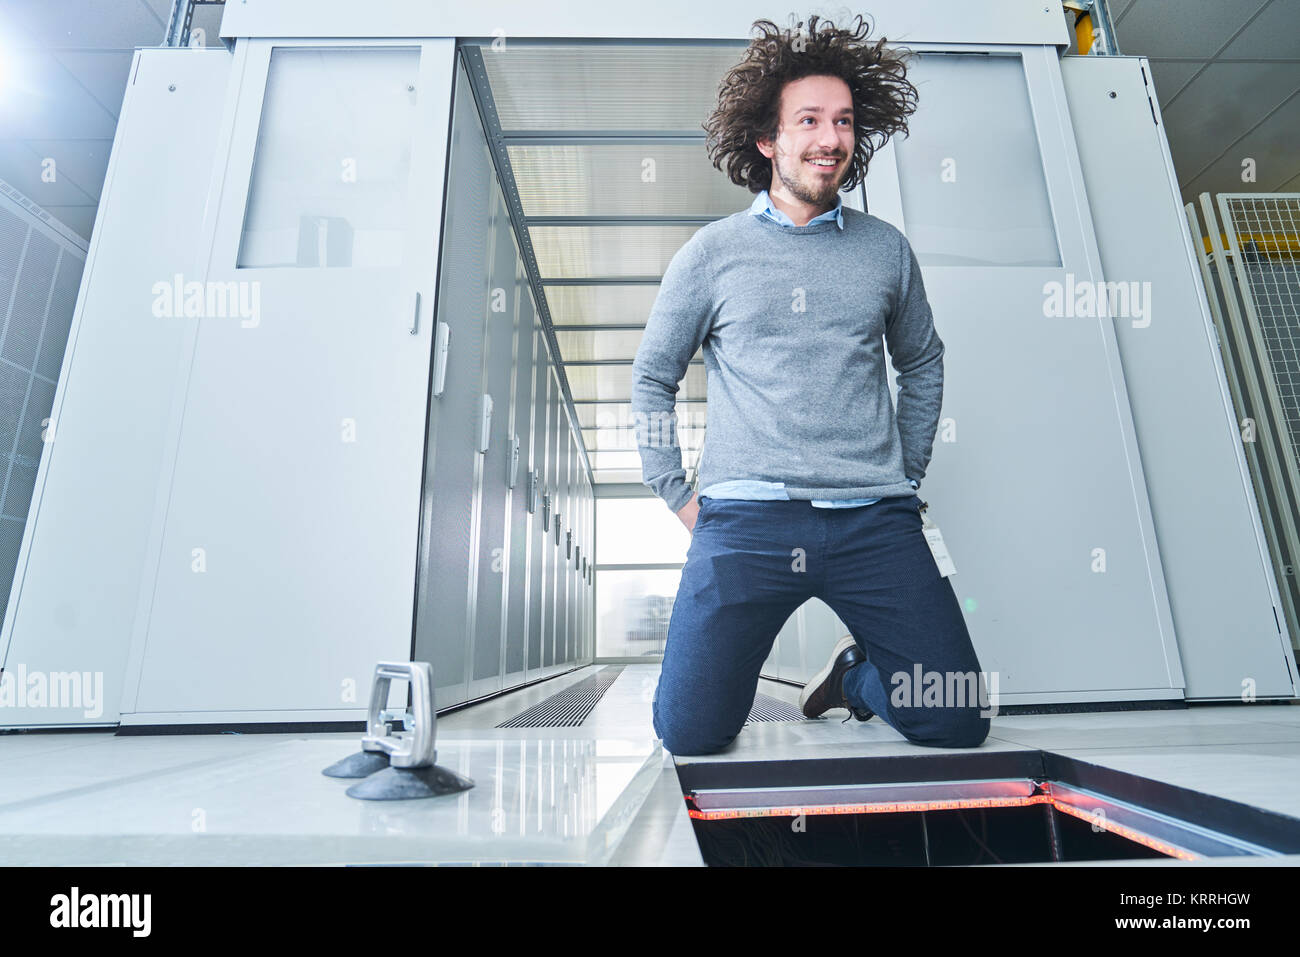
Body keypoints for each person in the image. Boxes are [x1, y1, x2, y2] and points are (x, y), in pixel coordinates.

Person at [631, 14, 991, 755]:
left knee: (955, 718)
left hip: (874, 521)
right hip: (745, 522)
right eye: (809, 120)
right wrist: (677, 492)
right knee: (690, 732)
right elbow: (652, 376)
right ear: (768, 139)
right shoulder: (711, 255)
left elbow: (921, 360)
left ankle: (856, 681)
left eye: (844, 122)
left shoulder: (884, 250)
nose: (830, 138)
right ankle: (743, 684)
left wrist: (908, 471)